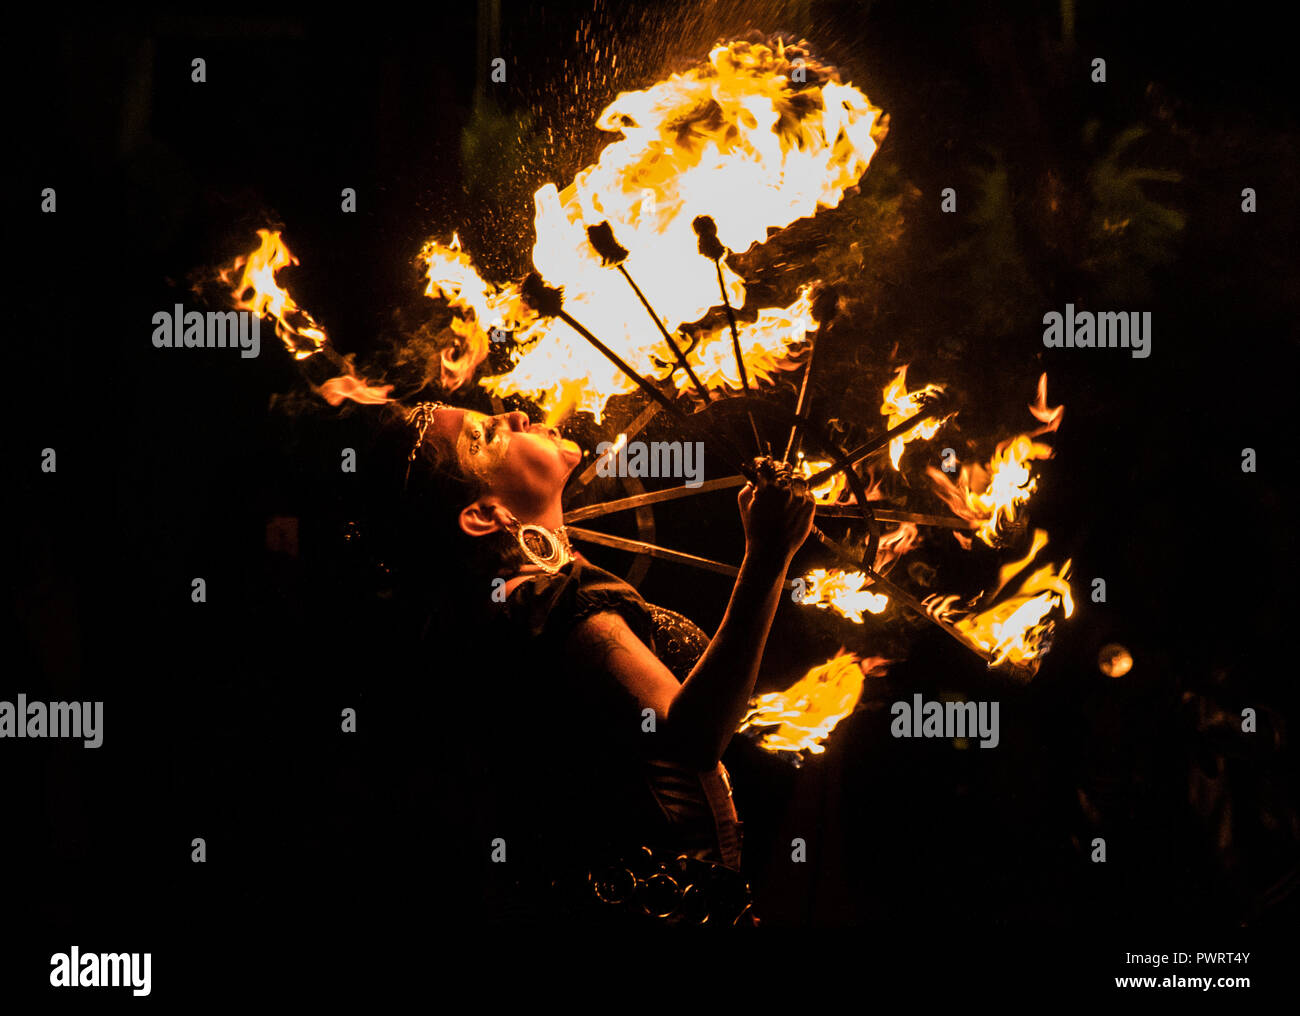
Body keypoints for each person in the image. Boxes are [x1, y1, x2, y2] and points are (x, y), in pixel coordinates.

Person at [393, 400, 814, 927]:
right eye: (487, 435)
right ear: (483, 514)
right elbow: (693, 738)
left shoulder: (516, 601)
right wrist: (769, 555)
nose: (519, 417)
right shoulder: (547, 600)